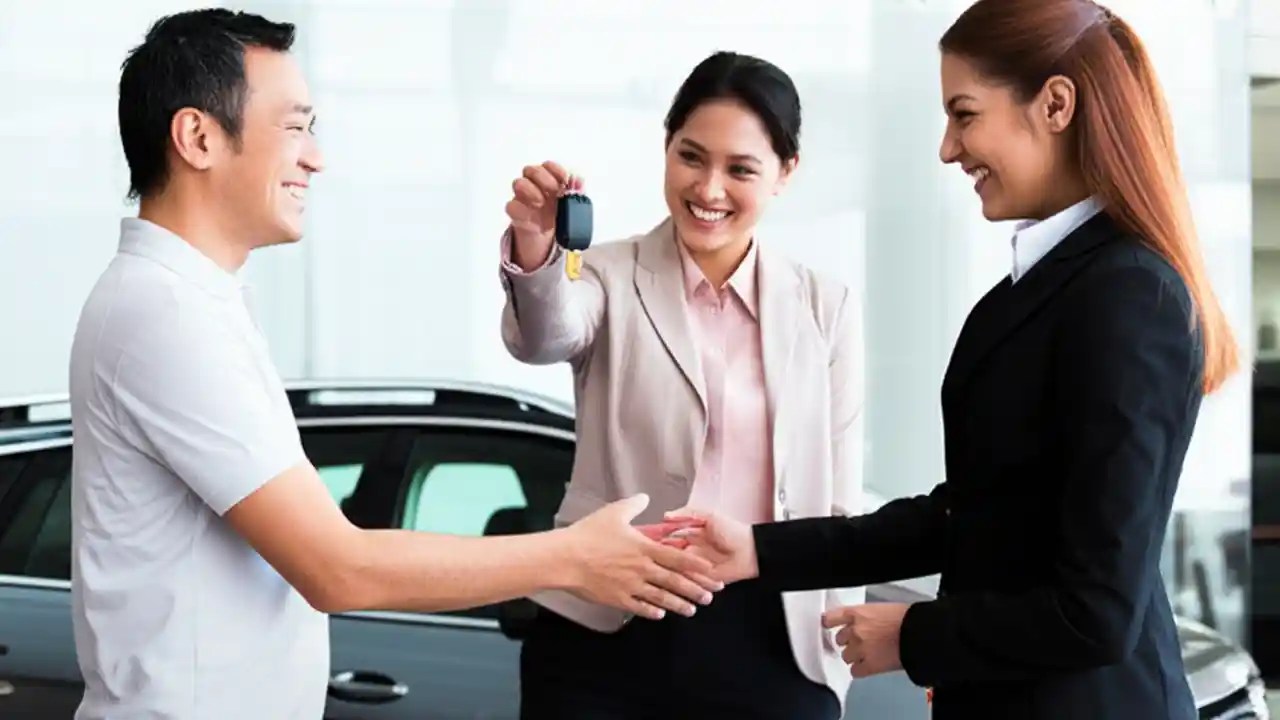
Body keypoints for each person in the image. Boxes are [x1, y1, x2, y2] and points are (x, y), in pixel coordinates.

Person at [67, 10, 719, 720]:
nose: (315, 157)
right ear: (198, 137)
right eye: (295, 127)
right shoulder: (166, 315)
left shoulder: (190, 302)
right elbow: (336, 568)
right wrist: (572, 559)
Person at [662, 2, 1239, 719]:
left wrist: (914, 635)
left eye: (964, 115)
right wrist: (757, 550)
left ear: (1055, 104)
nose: (947, 148)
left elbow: (1096, 609)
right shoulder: (1034, 292)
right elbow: (971, 515)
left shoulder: (1128, 296)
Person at [498, 51, 864, 719]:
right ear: (666, 147)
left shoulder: (824, 305)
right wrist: (536, 249)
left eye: (741, 168)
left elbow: (836, 496)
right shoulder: (605, 272)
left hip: (771, 633)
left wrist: (839, 634)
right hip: (604, 627)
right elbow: (544, 336)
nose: (710, 189)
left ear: (786, 174)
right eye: (691, 157)